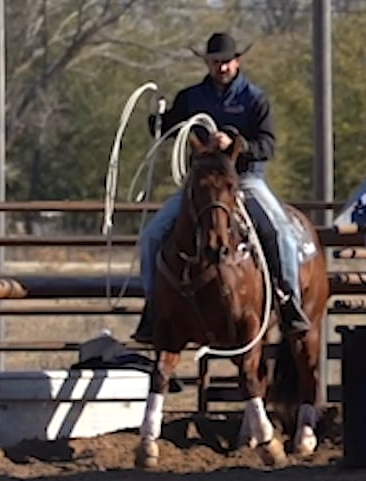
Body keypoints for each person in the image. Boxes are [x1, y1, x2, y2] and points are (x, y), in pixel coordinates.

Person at [132, 32, 312, 345]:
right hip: (201, 184)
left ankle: (288, 301)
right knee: (152, 235)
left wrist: (235, 145)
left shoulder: (255, 99)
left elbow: (267, 145)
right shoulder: (191, 97)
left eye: (226, 62)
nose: (221, 68)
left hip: (245, 180)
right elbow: (168, 129)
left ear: (237, 62)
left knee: (279, 231)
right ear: (208, 63)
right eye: (215, 62)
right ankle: (154, 307)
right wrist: (157, 118)